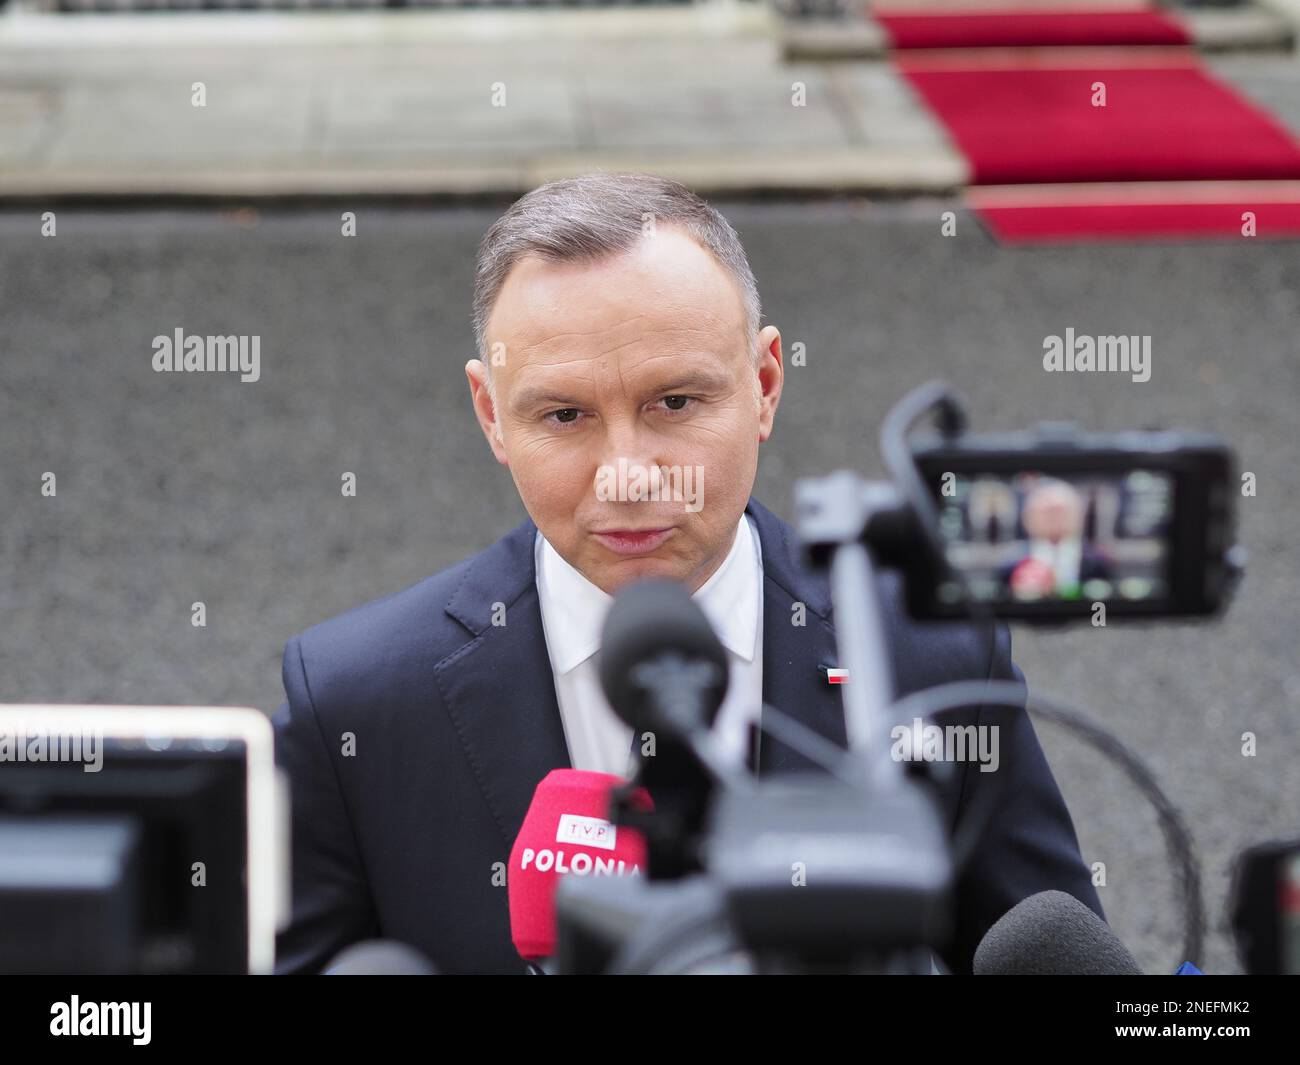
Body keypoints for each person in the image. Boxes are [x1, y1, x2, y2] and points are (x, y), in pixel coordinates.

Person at [272, 171, 1102, 975]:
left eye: (674, 402)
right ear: (492, 414)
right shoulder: (354, 703)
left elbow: (1047, 949)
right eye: (565, 415)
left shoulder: (936, 656)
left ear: (764, 384)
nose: (628, 476)